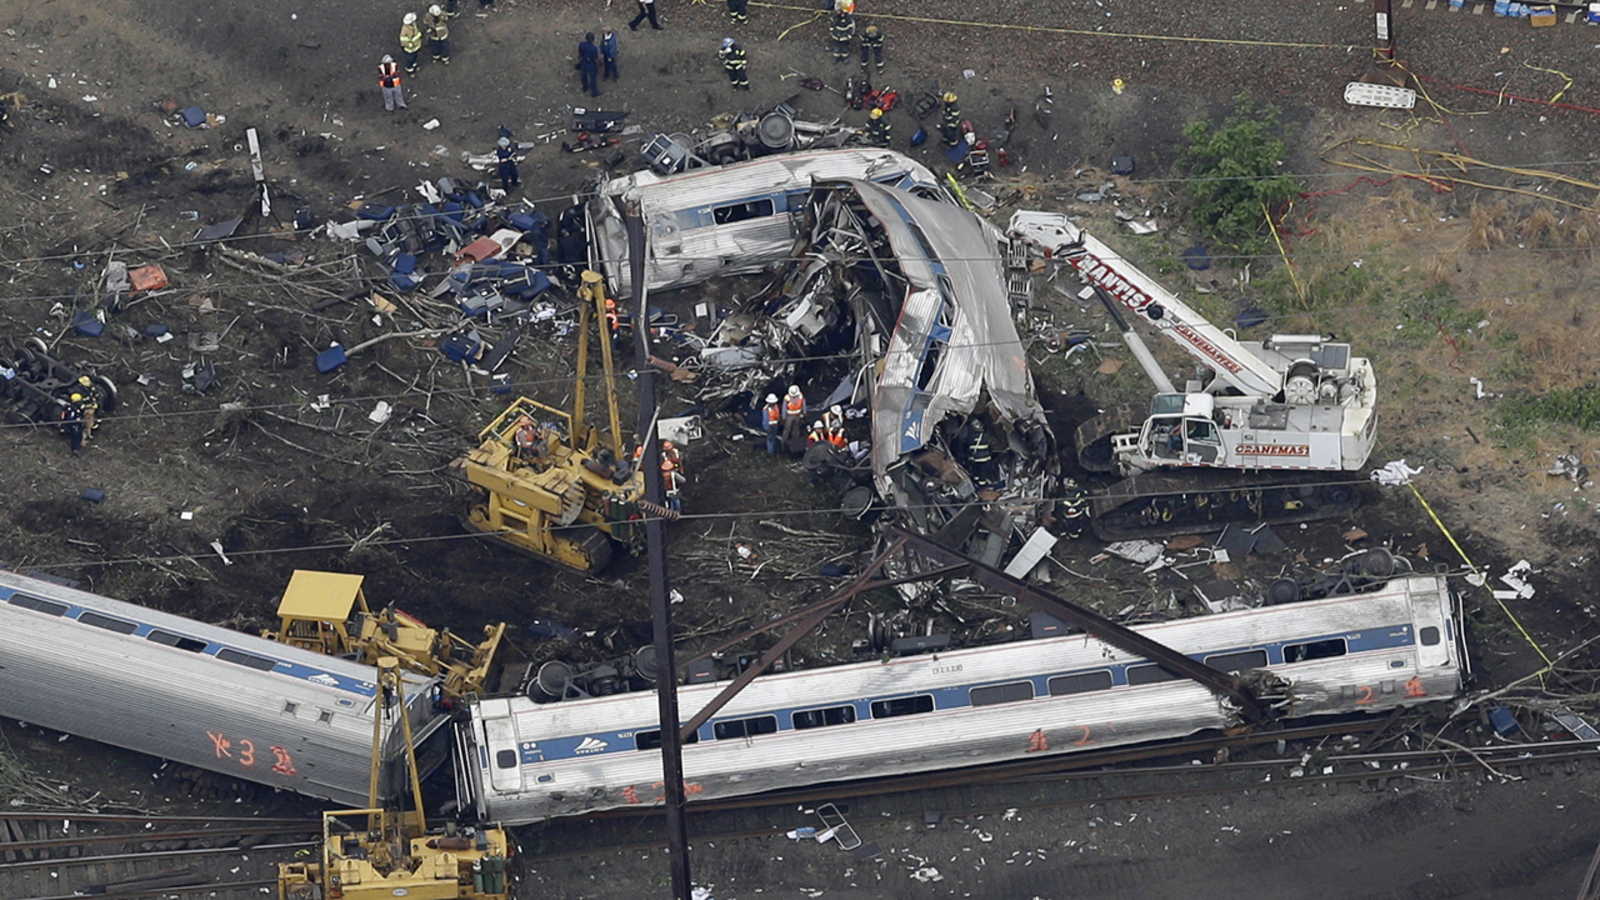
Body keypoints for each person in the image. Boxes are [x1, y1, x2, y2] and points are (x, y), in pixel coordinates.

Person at [578, 33, 601, 97]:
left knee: (584, 74)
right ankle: (594, 91)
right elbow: (595, 59)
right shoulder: (594, 48)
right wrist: (598, 65)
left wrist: (580, 59)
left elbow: (580, 53)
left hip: (584, 61)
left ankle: (585, 87)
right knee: (593, 77)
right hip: (591, 63)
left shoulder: (582, 44)